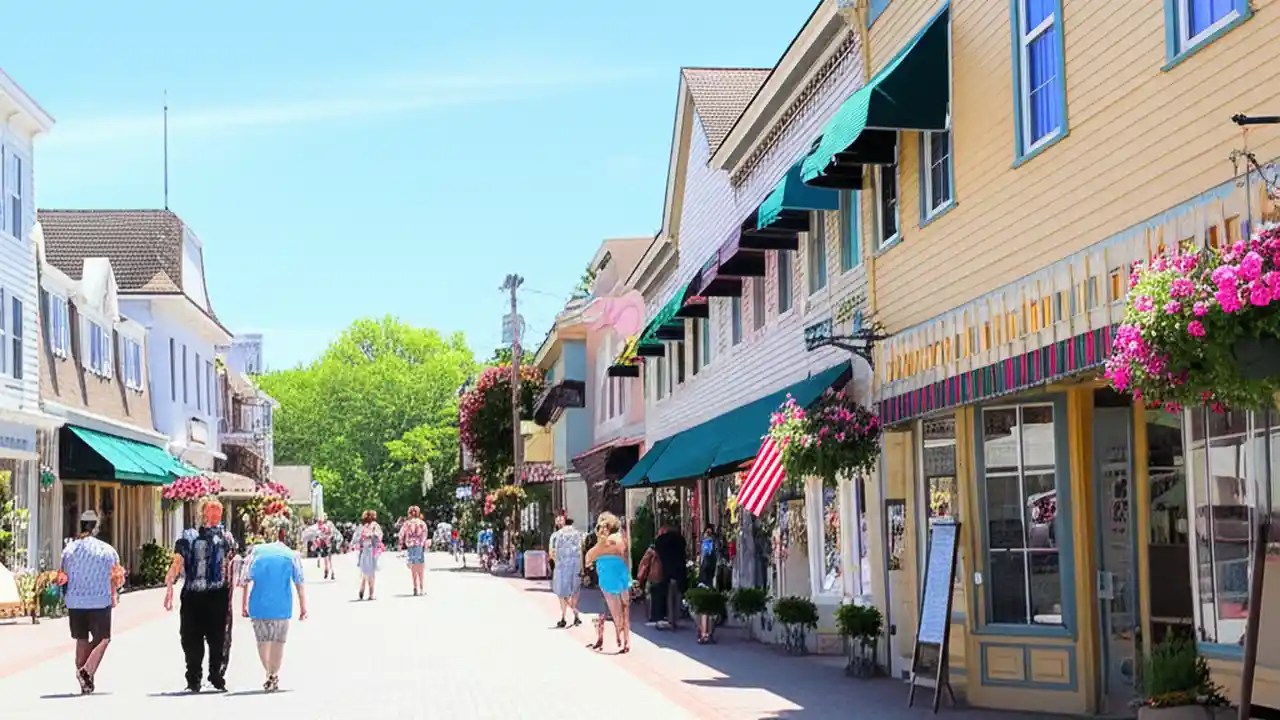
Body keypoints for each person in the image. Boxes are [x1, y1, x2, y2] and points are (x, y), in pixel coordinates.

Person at [165, 497, 238, 693]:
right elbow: (178, 561)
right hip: (198, 595)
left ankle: (211, 676)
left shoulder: (226, 538)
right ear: (202, 513)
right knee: (194, 638)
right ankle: (199, 678)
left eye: (217, 513)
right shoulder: (191, 536)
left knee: (213, 638)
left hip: (213, 594)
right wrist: (169, 585)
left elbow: (231, 566)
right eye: (210, 512)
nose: (214, 516)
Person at [60, 510, 124, 694]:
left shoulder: (69, 549)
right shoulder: (107, 550)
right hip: (99, 599)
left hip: (75, 601)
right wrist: (114, 594)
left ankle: (85, 680)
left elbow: (63, 575)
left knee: (81, 638)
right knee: (103, 638)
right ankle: (86, 672)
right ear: (96, 527)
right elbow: (116, 576)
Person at [239, 529, 308, 692]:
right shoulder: (291, 555)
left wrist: (243, 605)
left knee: (263, 641)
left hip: (258, 605)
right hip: (282, 606)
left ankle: (269, 673)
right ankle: (273, 673)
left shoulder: (255, 553)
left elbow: (244, 580)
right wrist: (303, 607)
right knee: (278, 642)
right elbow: (299, 582)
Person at [584, 512, 631, 654]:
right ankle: (626, 640)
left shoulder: (600, 545)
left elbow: (588, 560)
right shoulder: (621, 539)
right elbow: (626, 556)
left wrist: (591, 565)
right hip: (622, 574)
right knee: (625, 608)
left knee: (615, 610)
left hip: (606, 576)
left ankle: (619, 635)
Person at [548, 517, 584, 628]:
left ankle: (564, 617)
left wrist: (557, 562)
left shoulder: (555, 536)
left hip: (561, 568)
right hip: (576, 567)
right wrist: (582, 567)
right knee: (574, 592)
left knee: (561, 593)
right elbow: (582, 551)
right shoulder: (579, 535)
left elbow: (551, 553)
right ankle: (575, 613)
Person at [653, 522, 687, 630]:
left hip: (665, 571)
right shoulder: (680, 540)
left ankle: (668, 618)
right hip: (679, 570)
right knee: (677, 595)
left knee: (666, 595)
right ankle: (675, 618)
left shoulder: (661, 541)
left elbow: (656, 551)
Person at [636, 532, 667, 627]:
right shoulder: (665, 551)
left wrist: (640, 577)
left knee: (650, 595)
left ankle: (652, 616)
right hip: (663, 576)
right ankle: (660, 616)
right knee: (660, 596)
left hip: (652, 576)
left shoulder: (651, 551)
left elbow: (644, 564)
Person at [352, 510, 384, 601]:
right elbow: (379, 537)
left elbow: (355, 539)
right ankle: (371, 593)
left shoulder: (361, 527)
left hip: (363, 550)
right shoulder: (375, 526)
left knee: (364, 571)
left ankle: (362, 588)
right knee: (371, 573)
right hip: (373, 550)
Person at [398, 506, 429, 596]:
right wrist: (423, 544)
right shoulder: (422, 523)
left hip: (410, 546)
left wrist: (401, 544)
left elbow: (401, 534)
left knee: (413, 568)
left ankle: (415, 587)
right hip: (419, 546)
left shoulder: (407, 524)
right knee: (420, 568)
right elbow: (425, 534)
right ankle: (421, 588)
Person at [313, 514, 339, 580]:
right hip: (326, 543)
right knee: (327, 558)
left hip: (326, 543)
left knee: (327, 558)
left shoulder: (326, 525)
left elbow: (331, 533)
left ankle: (329, 571)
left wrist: (325, 537)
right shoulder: (323, 525)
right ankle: (328, 570)